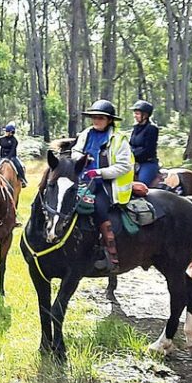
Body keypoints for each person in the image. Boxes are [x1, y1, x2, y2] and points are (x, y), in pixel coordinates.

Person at [71, 99, 134, 273]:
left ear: (109, 120)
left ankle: (108, 252)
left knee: (98, 209)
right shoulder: (86, 133)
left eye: (101, 118)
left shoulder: (118, 139)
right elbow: (76, 151)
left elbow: (124, 166)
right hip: (83, 180)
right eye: (94, 117)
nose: (96, 120)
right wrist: (81, 159)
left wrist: (99, 172)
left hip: (106, 185)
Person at [129, 100, 160, 186]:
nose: (135, 116)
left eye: (137, 114)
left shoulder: (152, 129)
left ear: (145, 115)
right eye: (134, 113)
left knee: (141, 185)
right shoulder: (135, 128)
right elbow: (130, 144)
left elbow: (148, 150)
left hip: (147, 163)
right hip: (133, 162)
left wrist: (132, 154)